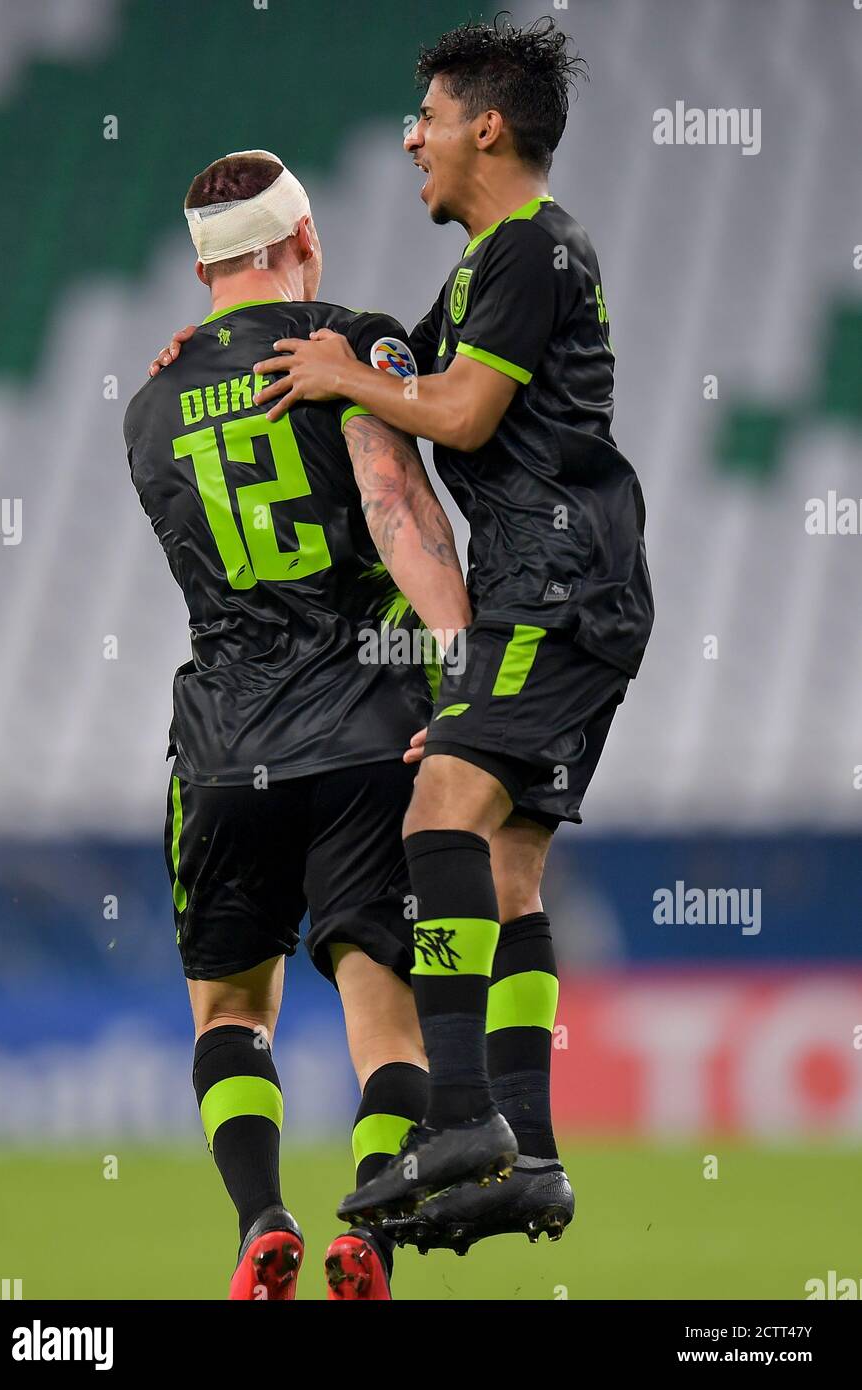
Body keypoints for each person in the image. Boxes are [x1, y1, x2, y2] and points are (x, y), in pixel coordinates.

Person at [247, 17, 655, 1247]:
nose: (411, 135)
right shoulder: (491, 264)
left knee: (438, 819)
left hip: (555, 587)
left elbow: (459, 414)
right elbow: (390, 365)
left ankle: (466, 1115)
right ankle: (527, 1158)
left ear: (489, 123)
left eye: (427, 113)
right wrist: (228, 347)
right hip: (570, 590)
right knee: (511, 865)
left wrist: (349, 379)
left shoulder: (533, 246)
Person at [126, 149, 471, 1299]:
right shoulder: (350, 343)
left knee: (230, 1013)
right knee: (389, 1021)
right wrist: (467, 677)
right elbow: (396, 511)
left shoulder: (150, 398)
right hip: (371, 732)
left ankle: (258, 1220)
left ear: (200, 267)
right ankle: (365, 1233)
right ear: (301, 239)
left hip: (225, 745)